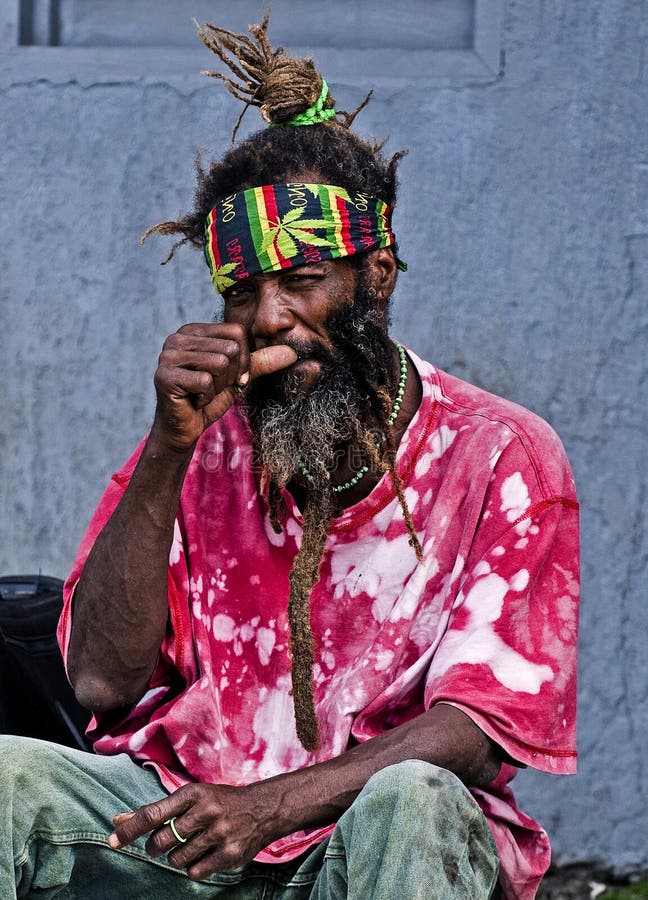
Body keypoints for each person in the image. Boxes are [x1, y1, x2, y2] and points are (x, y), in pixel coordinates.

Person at [0, 16, 580, 900]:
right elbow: (99, 679)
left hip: (369, 840)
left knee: (417, 798)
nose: (267, 319)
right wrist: (167, 448)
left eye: (302, 281)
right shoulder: (200, 441)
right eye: (242, 290)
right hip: (190, 825)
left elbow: (485, 724)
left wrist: (270, 807)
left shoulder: (499, 451)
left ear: (376, 275)